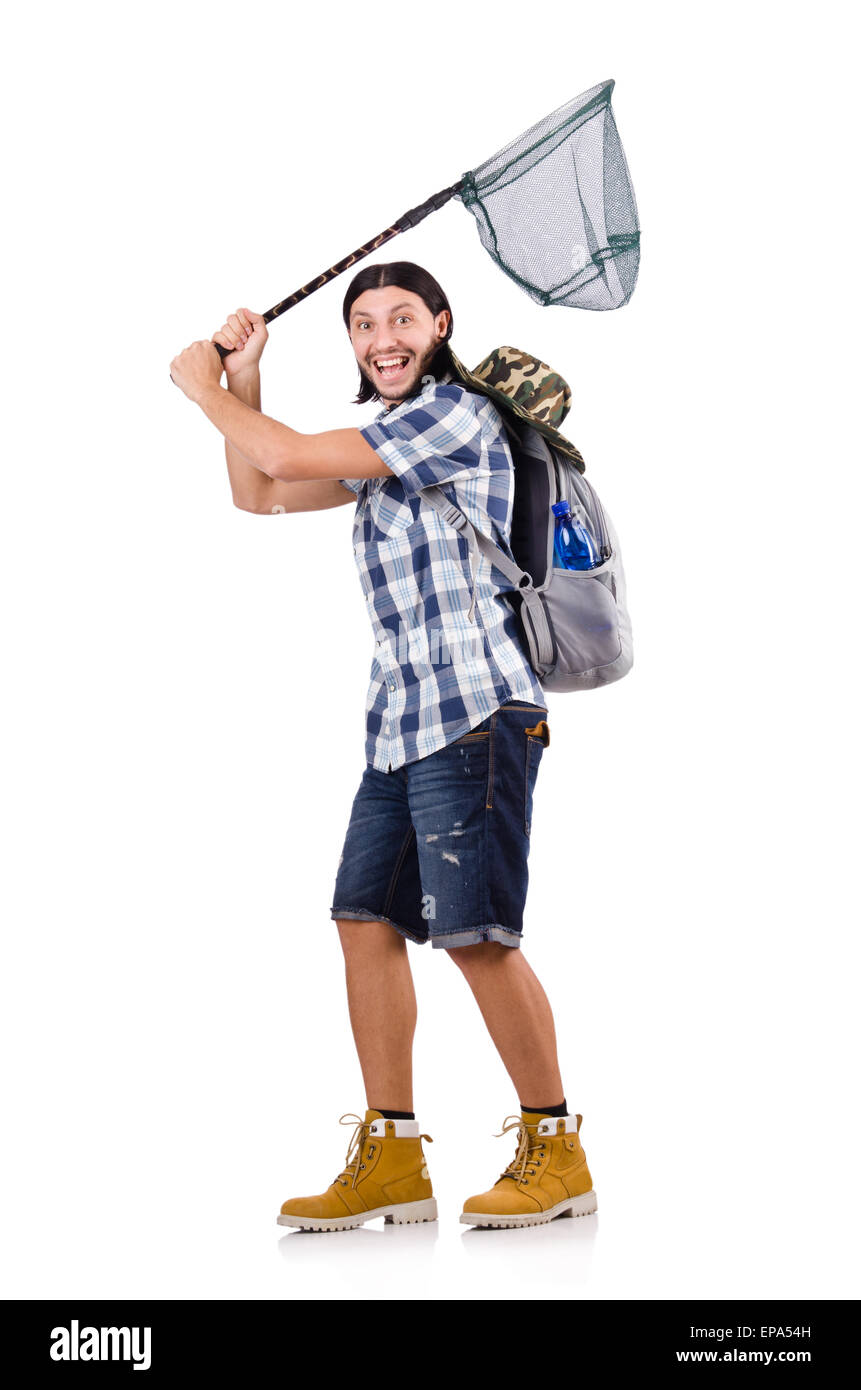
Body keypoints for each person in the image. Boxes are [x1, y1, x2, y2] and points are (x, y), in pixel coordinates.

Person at [169, 261, 596, 1231]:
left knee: (478, 937)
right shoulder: (379, 446)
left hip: (478, 713)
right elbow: (264, 487)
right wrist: (243, 379)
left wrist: (202, 390)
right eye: (364, 324)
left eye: (402, 317)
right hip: (400, 726)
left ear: (440, 324)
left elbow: (277, 454)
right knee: (365, 919)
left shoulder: (450, 418)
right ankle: (394, 1159)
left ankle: (557, 1148)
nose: (383, 338)